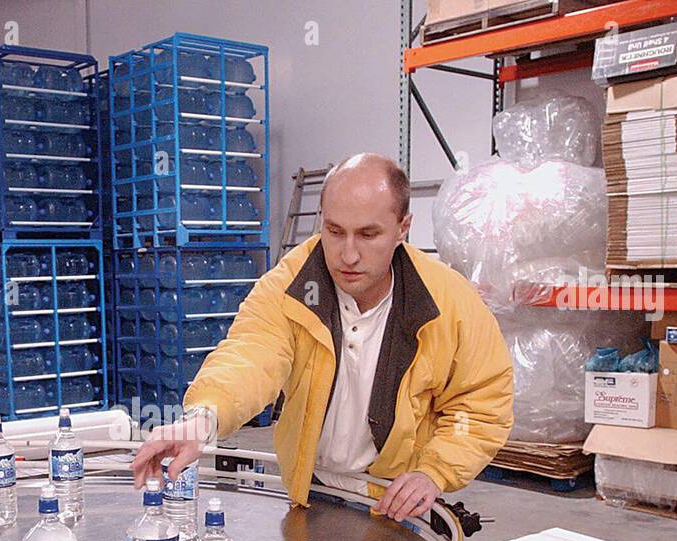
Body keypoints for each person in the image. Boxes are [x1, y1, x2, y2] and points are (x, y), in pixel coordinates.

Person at [130, 153, 513, 522]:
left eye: (368, 234)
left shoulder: (448, 302)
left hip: (397, 502)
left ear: (403, 227)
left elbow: (481, 401)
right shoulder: (293, 285)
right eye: (334, 231)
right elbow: (251, 355)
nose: (348, 255)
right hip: (310, 491)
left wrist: (435, 471)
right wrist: (203, 418)